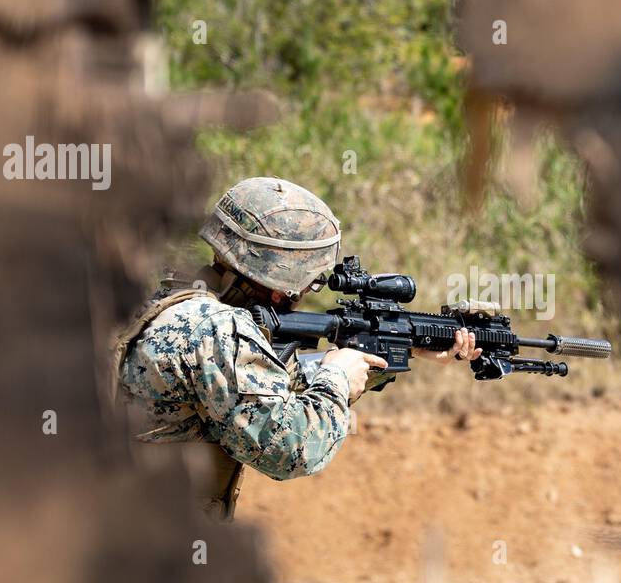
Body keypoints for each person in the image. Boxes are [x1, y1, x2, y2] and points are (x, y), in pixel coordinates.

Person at [113, 176, 479, 520]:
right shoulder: (220, 329)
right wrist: (336, 378)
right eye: (310, 283)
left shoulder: (176, 300)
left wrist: (386, 354)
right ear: (281, 286)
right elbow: (291, 448)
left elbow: (263, 386)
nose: (306, 293)